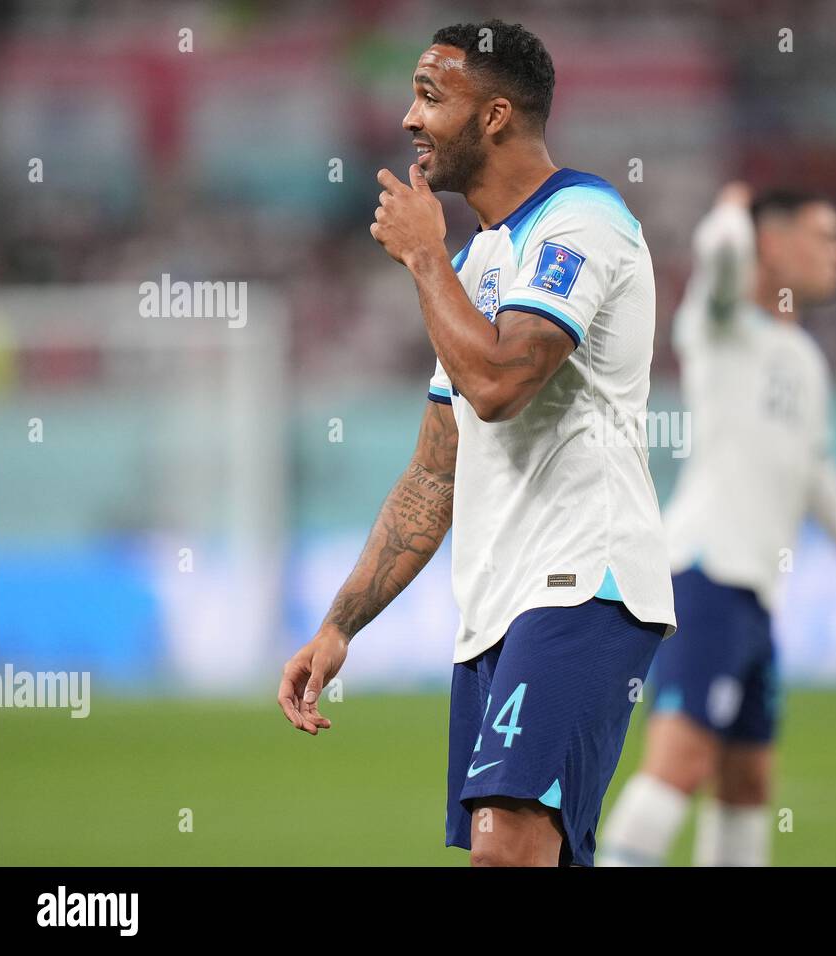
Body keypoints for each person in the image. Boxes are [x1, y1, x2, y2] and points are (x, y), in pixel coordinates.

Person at [277, 19, 676, 867]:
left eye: (430, 96)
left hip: (582, 583)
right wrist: (341, 623)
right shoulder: (486, 260)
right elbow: (434, 468)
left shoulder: (581, 222)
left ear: (495, 116)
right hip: (495, 606)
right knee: (538, 855)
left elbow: (498, 386)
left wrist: (426, 260)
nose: (409, 118)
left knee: (507, 851)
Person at [599, 183, 836, 867]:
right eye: (825, 237)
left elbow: (815, 477)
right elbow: (719, 259)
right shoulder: (719, 327)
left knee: (748, 784)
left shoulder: (804, 360)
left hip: (755, 595)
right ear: (773, 245)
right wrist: (728, 210)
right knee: (680, 762)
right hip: (704, 576)